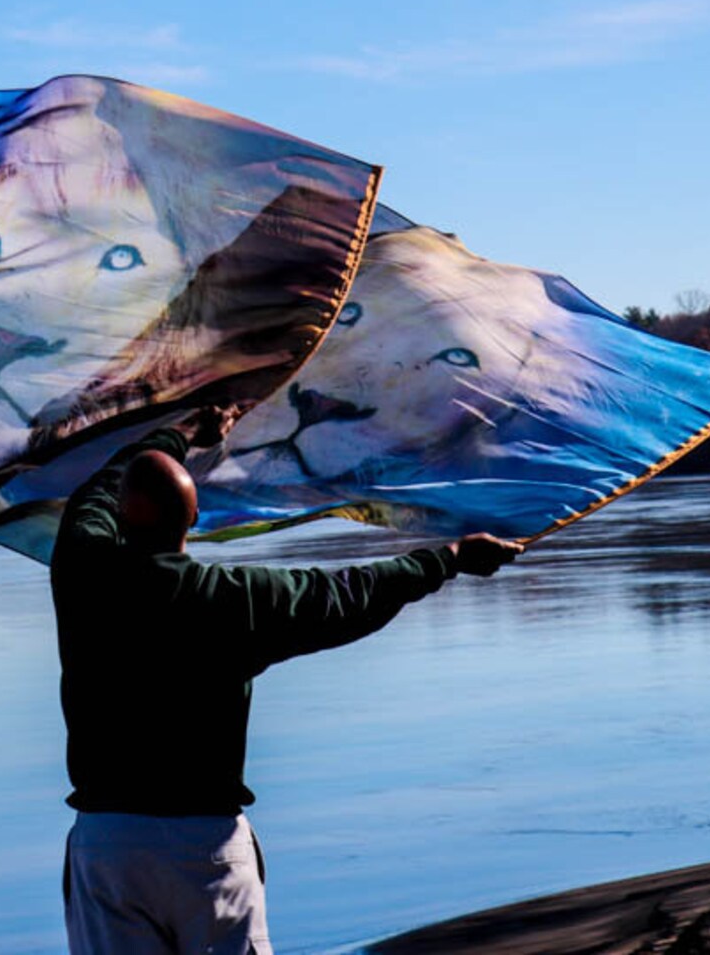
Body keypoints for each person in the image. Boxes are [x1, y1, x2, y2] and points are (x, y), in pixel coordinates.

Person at [50, 407, 523, 955]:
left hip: (109, 845)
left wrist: (179, 434)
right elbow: (352, 593)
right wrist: (452, 556)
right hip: (206, 847)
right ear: (195, 517)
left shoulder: (83, 568)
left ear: (122, 519)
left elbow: (97, 491)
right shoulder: (234, 601)